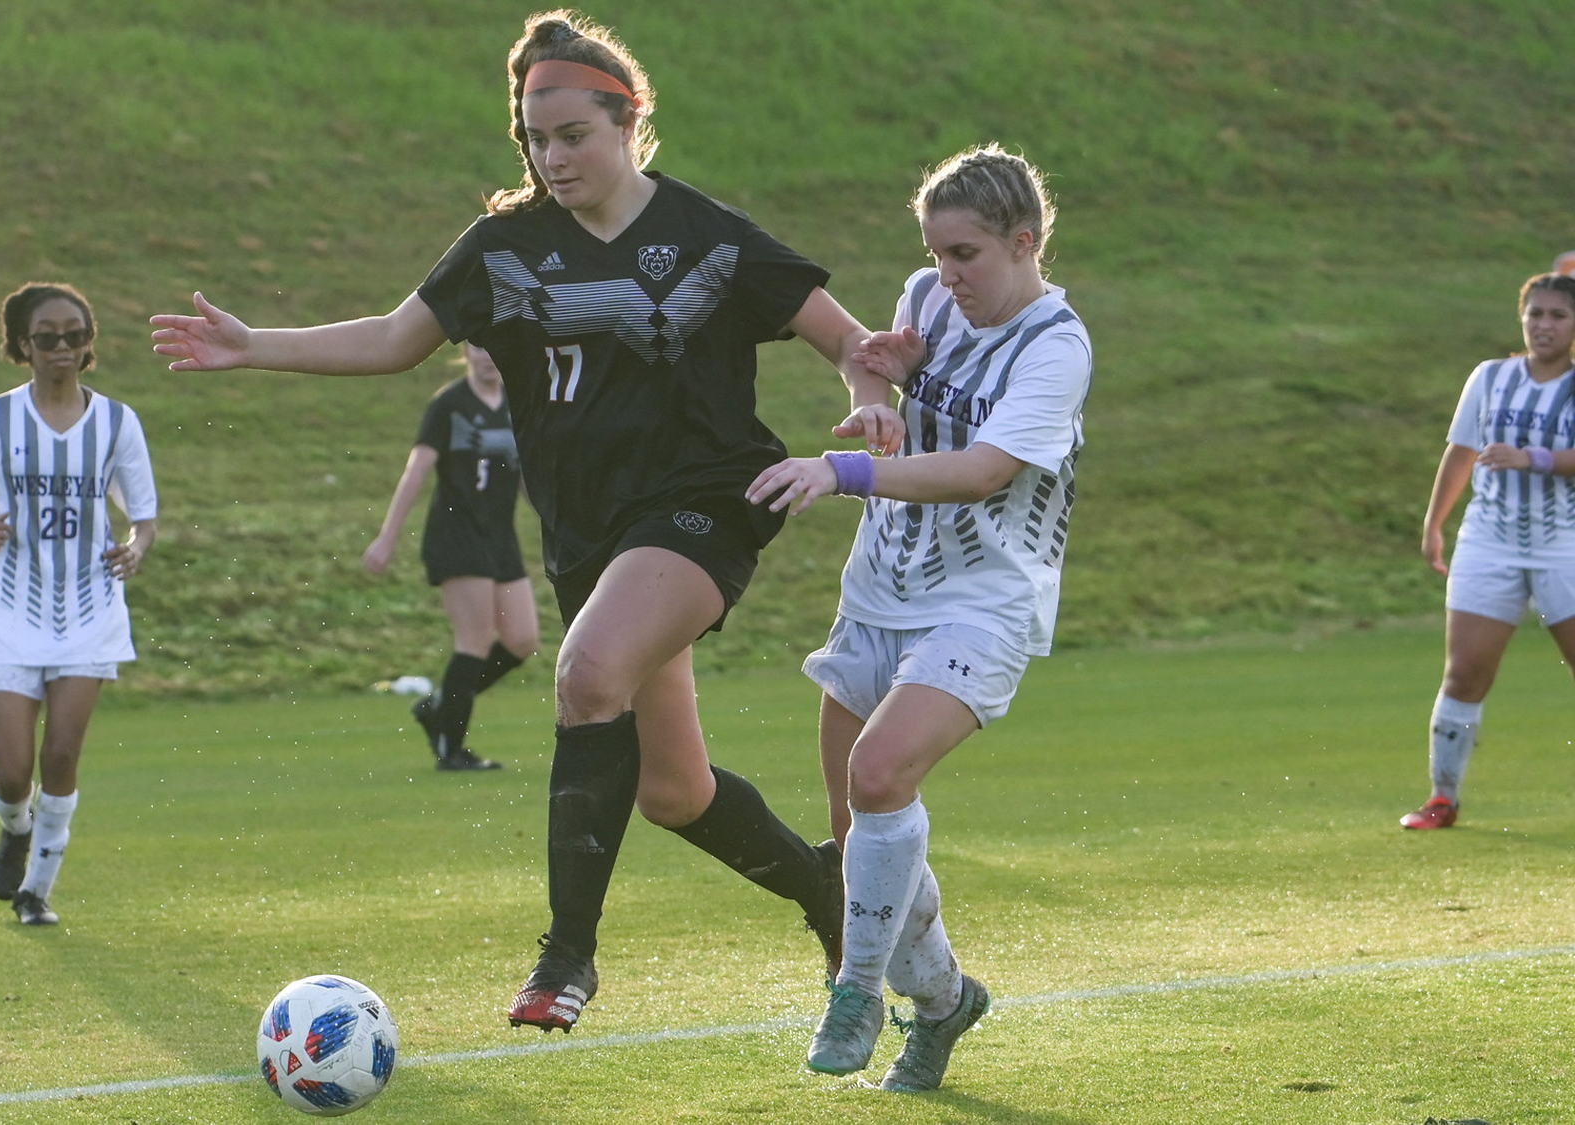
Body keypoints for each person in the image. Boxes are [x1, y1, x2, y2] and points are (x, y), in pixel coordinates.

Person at [154, 10, 905, 1033]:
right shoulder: (502, 251)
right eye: (533, 140)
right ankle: (822, 890)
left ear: (626, 122)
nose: (551, 158)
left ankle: (565, 960)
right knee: (674, 794)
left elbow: (847, 338)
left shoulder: (707, 239)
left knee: (586, 677)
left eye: (572, 137)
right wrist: (254, 346)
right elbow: (390, 340)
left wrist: (871, 394)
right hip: (589, 541)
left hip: (705, 504)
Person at [749, 144, 1091, 1092]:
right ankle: (942, 1002)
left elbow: (985, 469)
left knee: (880, 772)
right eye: (936, 252)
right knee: (857, 825)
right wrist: (872, 399)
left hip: (985, 601)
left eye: (967, 254)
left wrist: (843, 470)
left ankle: (856, 988)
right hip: (882, 586)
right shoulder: (929, 296)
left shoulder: (1056, 346)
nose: (947, 275)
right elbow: (872, 369)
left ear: (1025, 243)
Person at [0, 282, 158, 926]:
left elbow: (143, 518)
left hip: (88, 601)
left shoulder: (117, 422)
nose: (62, 347)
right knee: (13, 771)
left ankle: (37, 888)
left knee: (60, 755)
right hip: (8, 603)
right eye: (47, 338)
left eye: (75, 335)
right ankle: (14, 827)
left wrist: (136, 547)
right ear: (21, 347)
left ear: (89, 343)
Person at [1405, 272, 1575, 830]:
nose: (1544, 325)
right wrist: (1435, 522)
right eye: (1536, 314)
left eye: (1557, 315)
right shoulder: (1490, 377)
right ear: (1521, 318)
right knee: (1465, 674)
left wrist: (1537, 458)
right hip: (1489, 541)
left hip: (1563, 544)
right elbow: (1461, 449)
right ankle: (1442, 797)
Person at [363, 343, 538, 771]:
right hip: (457, 537)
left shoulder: (517, 404)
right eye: (477, 346)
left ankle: (441, 706)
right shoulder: (449, 405)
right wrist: (387, 537)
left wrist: (559, 526)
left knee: (522, 639)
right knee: (474, 642)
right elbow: (416, 471)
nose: (487, 355)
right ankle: (451, 750)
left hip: (500, 538)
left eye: (494, 346)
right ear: (465, 351)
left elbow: (526, 478)